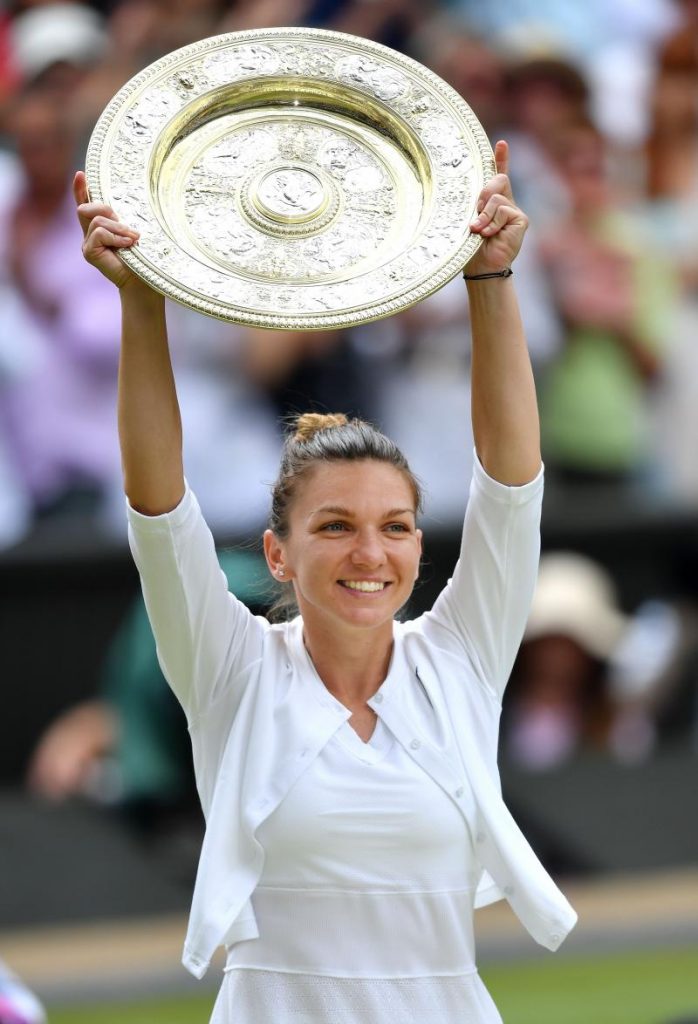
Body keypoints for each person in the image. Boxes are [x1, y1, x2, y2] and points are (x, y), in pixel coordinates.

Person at [74, 139, 576, 1023]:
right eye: (336, 526)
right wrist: (141, 303)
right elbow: (159, 509)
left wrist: (490, 280)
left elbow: (511, 488)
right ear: (278, 554)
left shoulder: (459, 659)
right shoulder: (232, 671)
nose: (370, 554)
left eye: (395, 527)